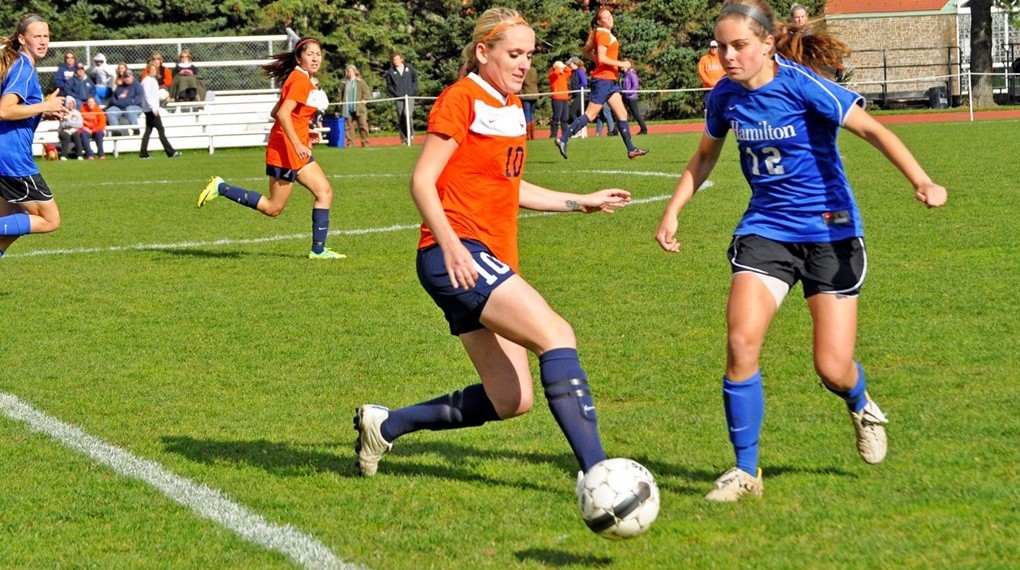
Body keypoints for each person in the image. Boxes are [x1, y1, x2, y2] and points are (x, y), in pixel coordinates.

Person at [653, 0, 948, 503]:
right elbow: (704, 155)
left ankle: (860, 403)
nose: (727, 56)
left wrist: (922, 180)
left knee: (832, 368)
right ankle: (745, 472)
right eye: (721, 46)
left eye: (739, 45)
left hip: (831, 234)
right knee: (741, 342)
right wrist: (673, 210)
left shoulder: (800, 84)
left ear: (767, 43)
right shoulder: (724, 96)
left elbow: (872, 129)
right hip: (766, 232)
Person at [353, 8, 633, 492]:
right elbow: (422, 180)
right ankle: (599, 473)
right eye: (513, 54)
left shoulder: (508, 106)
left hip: (484, 259)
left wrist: (576, 202)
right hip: (455, 255)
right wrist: (452, 245)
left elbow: (510, 186)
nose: (524, 64)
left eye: (528, 55)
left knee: (511, 399)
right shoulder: (462, 97)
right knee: (557, 334)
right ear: (483, 53)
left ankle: (386, 425)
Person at [197, 37, 346, 260]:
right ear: (299, 57)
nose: (315, 58)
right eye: (310, 54)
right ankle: (221, 187)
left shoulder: (300, 78)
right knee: (273, 208)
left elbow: (275, 113)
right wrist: (297, 142)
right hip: (286, 151)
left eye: (318, 54)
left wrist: (305, 133)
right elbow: (283, 114)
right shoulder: (300, 81)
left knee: (324, 192)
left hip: (296, 149)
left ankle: (318, 251)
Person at [0, 13, 66, 260]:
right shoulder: (23, 69)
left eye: (46, 36)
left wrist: (43, 113)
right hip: (12, 158)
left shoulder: (14, 65)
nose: (43, 41)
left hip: (4, 154)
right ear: (22, 39)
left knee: (8, 226)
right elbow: (5, 110)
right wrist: (44, 106)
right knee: (49, 220)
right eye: (36, 36)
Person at [556, 8, 647, 160]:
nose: (609, 18)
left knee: (622, 114)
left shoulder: (601, 33)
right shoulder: (603, 34)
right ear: (599, 21)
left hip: (610, 81)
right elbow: (602, 58)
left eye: (610, 16)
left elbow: (586, 52)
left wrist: (601, 61)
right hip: (603, 80)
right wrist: (621, 63)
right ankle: (563, 139)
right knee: (590, 115)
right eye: (605, 17)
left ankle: (631, 149)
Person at [138, 60, 180, 159]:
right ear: (148, 70)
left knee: (148, 131)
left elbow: (153, 95)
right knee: (161, 130)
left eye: (155, 70)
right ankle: (171, 152)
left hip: (152, 109)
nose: (153, 71)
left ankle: (143, 154)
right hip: (151, 110)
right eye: (151, 69)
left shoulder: (152, 80)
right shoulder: (147, 81)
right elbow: (148, 96)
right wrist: (153, 108)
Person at [385, 52, 418, 144]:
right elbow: (389, 86)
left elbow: (415, 79)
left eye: (397, 59)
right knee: (401, 117)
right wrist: (396, 94)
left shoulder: (409, 68)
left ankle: (411, 134)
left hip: (410, 96)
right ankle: (404, 139)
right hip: (399, 98)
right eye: (394, 60)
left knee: (407, 114)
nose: (395, 61)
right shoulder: (391, 72)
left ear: (401, 59)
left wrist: (413, 91)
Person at [341, 64, 371, 147]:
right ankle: (350, 143)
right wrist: (340, 100)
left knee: (363, 125)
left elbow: (366, 92)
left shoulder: (360, 82)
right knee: (348, 126)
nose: (350, 73)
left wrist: (365, 100)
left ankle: (365, 142)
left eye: (351, 71)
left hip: (359, 107)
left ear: (355, 72)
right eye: (348, 72)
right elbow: (340, 93)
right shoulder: (343, 83)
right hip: (347, 107)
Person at [106, 69, 143, 135]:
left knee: (129, 110)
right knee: (110, 111)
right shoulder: (120, 86)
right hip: (120, 107)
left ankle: (136, 129)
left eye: (128, 77)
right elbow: (113, 98)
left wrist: (122, 102)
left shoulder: (137, 85)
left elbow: (138, 100)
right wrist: (118, 103)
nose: (126, 79)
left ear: (132, 77)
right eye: (125, 77)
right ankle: (116, 132)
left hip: (135, 107)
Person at [621, 66, 648, 134]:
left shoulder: (632, 74)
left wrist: (629, 92)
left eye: (622, 67)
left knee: (636, 114)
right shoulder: (625, 75)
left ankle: (644, 129)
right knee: (621, 113)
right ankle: (615, 130)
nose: (621, 68)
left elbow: (635, 86)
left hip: (632, 98)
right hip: (625, 97)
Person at [547, 60, 570, 140]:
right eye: (560, 68)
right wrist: (557, 66)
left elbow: (569, 71)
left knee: (565, 118)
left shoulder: (564, 75)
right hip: (557, 99)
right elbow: (556, 72)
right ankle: (553, 134)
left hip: (565, 98)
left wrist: (563, 66)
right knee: (556, 117)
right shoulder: (552, 75)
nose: (561, 69)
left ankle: (565, 134)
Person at [80, 95, 106, 159]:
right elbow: (79, 122)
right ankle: (89, 154)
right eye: (89, 102)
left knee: (99, 133)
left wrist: (92, 130)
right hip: (86, 129)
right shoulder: (82, 109)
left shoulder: (99, 111)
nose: (90, 104)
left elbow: (102, 125)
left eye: (92, 102)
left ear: (95, 103)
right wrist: (84, 128)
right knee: (83, 134)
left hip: (96, 129)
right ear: (87, 103)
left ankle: (101, 154)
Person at [519, 63, 538, 140]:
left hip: (526, 94)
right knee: (531, 114)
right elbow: (536, 80)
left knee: (527, 115)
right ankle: (532, 134)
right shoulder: (534, 70)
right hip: (534, 93)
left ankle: (528, 135)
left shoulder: (524, 71)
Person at [566, 56, 588, 122]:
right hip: (577, 94)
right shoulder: (574, 72)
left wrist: (576, 87)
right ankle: (581, 129)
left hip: (580, 94)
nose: (569, 65)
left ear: (574, 63)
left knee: (572, 112)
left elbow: (584, 83)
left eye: (570, 64)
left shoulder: (580, 71)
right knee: (580, 113)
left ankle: (578, 127)